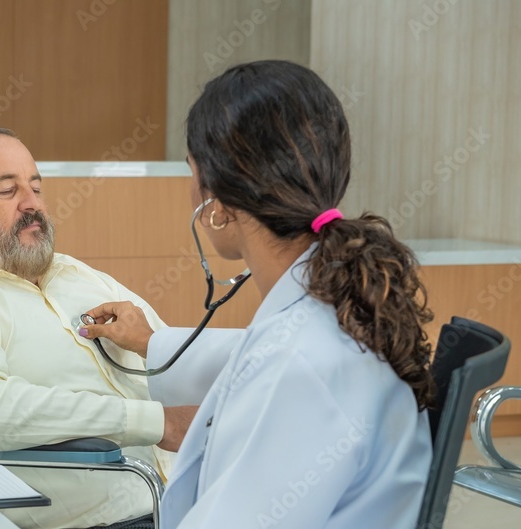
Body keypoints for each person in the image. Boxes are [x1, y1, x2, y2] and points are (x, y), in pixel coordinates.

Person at [81, 60, 435, 528]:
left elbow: (281, 367)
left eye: (193, 174)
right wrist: (152, 343)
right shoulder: (331, 311)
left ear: (217, 205)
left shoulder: (299, 365)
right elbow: (253, 352)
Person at [0, 128, 196, 529]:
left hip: (188, 499)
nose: (32, 205)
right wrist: (155, 423)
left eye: (36, 188)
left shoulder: (76, 275)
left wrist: (154, 345)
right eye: (7, 191)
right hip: (107, 520)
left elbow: (183, 366)